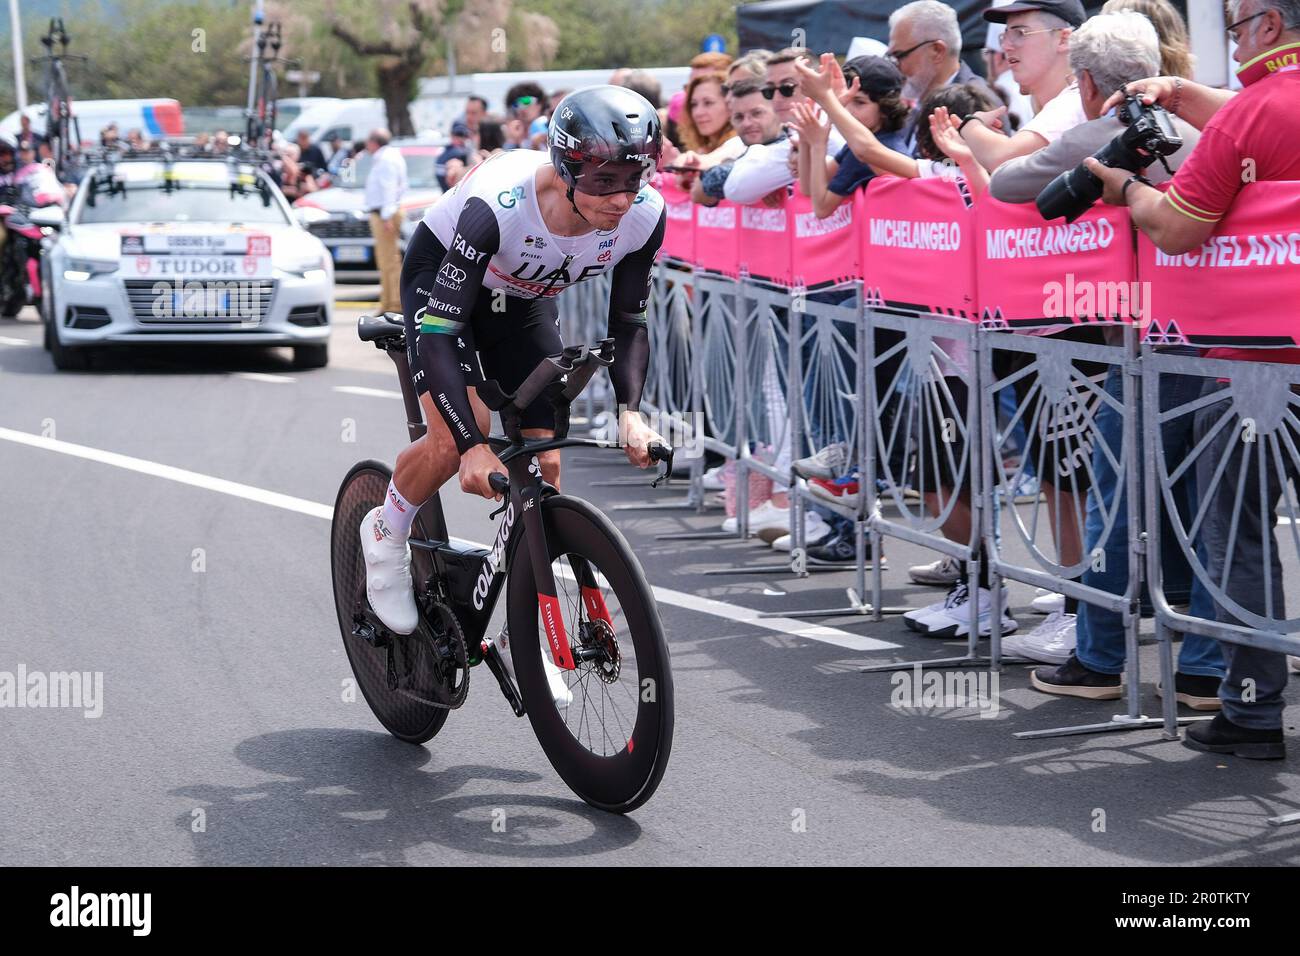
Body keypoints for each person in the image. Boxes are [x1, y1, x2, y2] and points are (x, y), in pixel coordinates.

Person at [360, 86, 667, 644]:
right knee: (457, 440)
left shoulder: (645, 216)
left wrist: (631, 411)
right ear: (566, 168)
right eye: (604, 181)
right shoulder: (496, 207)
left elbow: (630, 320)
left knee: (544, 461)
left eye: (634, 178)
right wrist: (473, 445)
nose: (622, 200)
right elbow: (440, 331)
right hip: (444, 282)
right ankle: (386, 529)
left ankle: (528, 614)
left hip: (520, 296)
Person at [1083, 0, 1300, 759]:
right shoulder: (1257, 106)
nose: (1235, 38)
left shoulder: (1259, 111)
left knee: (1238, 532)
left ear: (1269, 24)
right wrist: (1178, 95)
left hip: (1256, 364)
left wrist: (1125, 192)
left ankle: (1252, 708)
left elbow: (1179, 224)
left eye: (1238, 26)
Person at [959, 0, 1087, 172]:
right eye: (1005, 35)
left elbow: (1001, 159)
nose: (1005, 46)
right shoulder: (1062, 101)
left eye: (1020, 33)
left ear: (1063, 39)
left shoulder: (1074, 101)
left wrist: (971, 125)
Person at [887, 0, 1000, 153]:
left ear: (937, 51)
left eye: (899, 55)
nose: (895, 67)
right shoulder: (920, 100)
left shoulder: (976, 105)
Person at [364, 128, 408, 315]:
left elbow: (388, 188)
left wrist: (386, 216)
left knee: (389, 261)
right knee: (387, 260)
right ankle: (388, 303)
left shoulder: (386, 159)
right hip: (384, 213)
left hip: (385, 213)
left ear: (374, 142)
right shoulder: (388, 156)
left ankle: (394, 305)